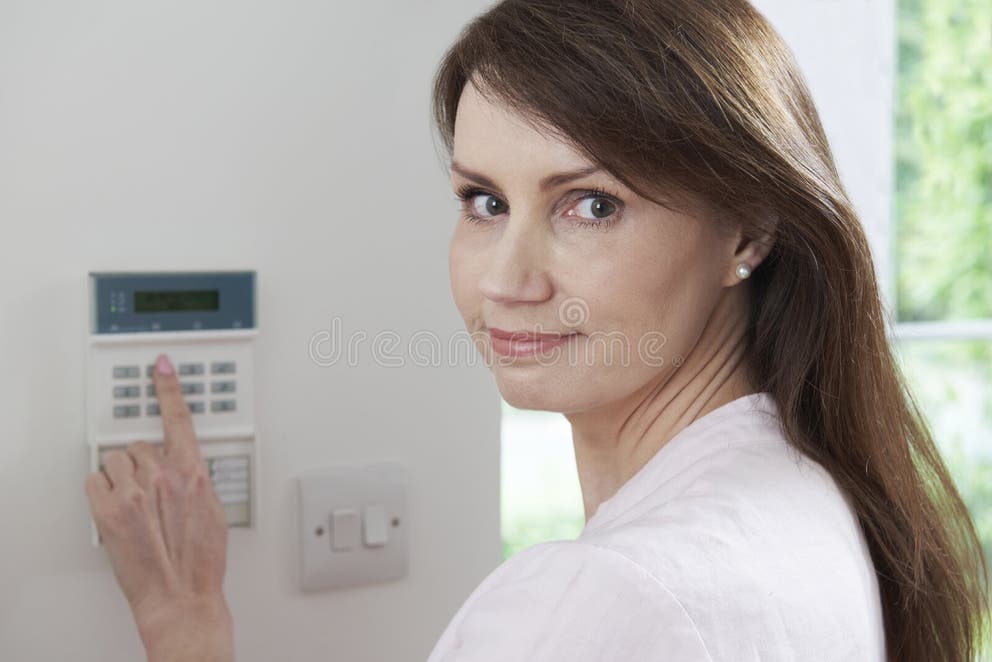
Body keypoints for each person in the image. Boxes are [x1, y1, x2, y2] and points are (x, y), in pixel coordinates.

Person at [85, 1, 991, 661]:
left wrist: (181, 627)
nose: (506, 281)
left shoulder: (603, 601)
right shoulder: (810, 496)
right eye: (484, 201)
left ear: (748, 232)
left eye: (592, 205)